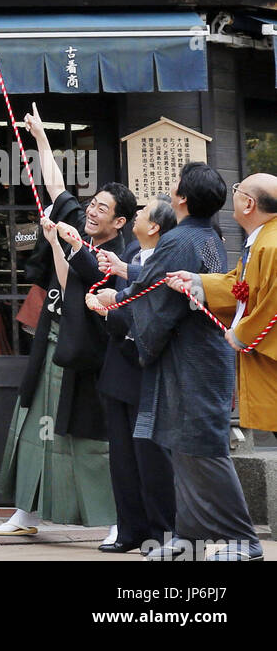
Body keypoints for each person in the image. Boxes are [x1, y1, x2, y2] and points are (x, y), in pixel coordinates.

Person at [97, 162, 262, 561]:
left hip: (193, 359)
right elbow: (156, 286)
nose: (169, 189)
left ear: (183, 198)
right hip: (197, 355)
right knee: (182, 447)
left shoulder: (178, 240)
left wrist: (112, 303)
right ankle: (190, 537)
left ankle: (245, 540)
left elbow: (148, 295)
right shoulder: (209, 235)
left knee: (204, 450)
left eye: (174, 185)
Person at [0, 105, 126, 538]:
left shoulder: (116, 259)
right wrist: (41, 139)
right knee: (33, 424)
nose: (91, 211)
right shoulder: (75, 225)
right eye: (93, 204)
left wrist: (59, 244)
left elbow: (77, 281)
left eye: (102, 209)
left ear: (118, 221)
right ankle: (26, 515)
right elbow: (55, 183)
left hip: (87, 353)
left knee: (90, 440)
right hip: (51, 339)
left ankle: (115, 521)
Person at [81, 196, 178, 552]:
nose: (135, 215)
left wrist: (113, 306)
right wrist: (110, 307)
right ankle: (129, 531)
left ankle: (162, 533)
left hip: (149, 368)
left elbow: (152, 311)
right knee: (122, 457)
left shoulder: (168, 260)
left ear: (155, 226)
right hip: (119, 365)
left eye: (141, 213)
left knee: (150, 457)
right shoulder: (134, 253)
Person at [168, 172, 277, 436]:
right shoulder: (263, 240)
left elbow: (273, 303)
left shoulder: (272, 245)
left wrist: (243, 334)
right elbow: (240, 286)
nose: (234, 195)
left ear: (249, 204)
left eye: (238, 190)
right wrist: (198, 282)